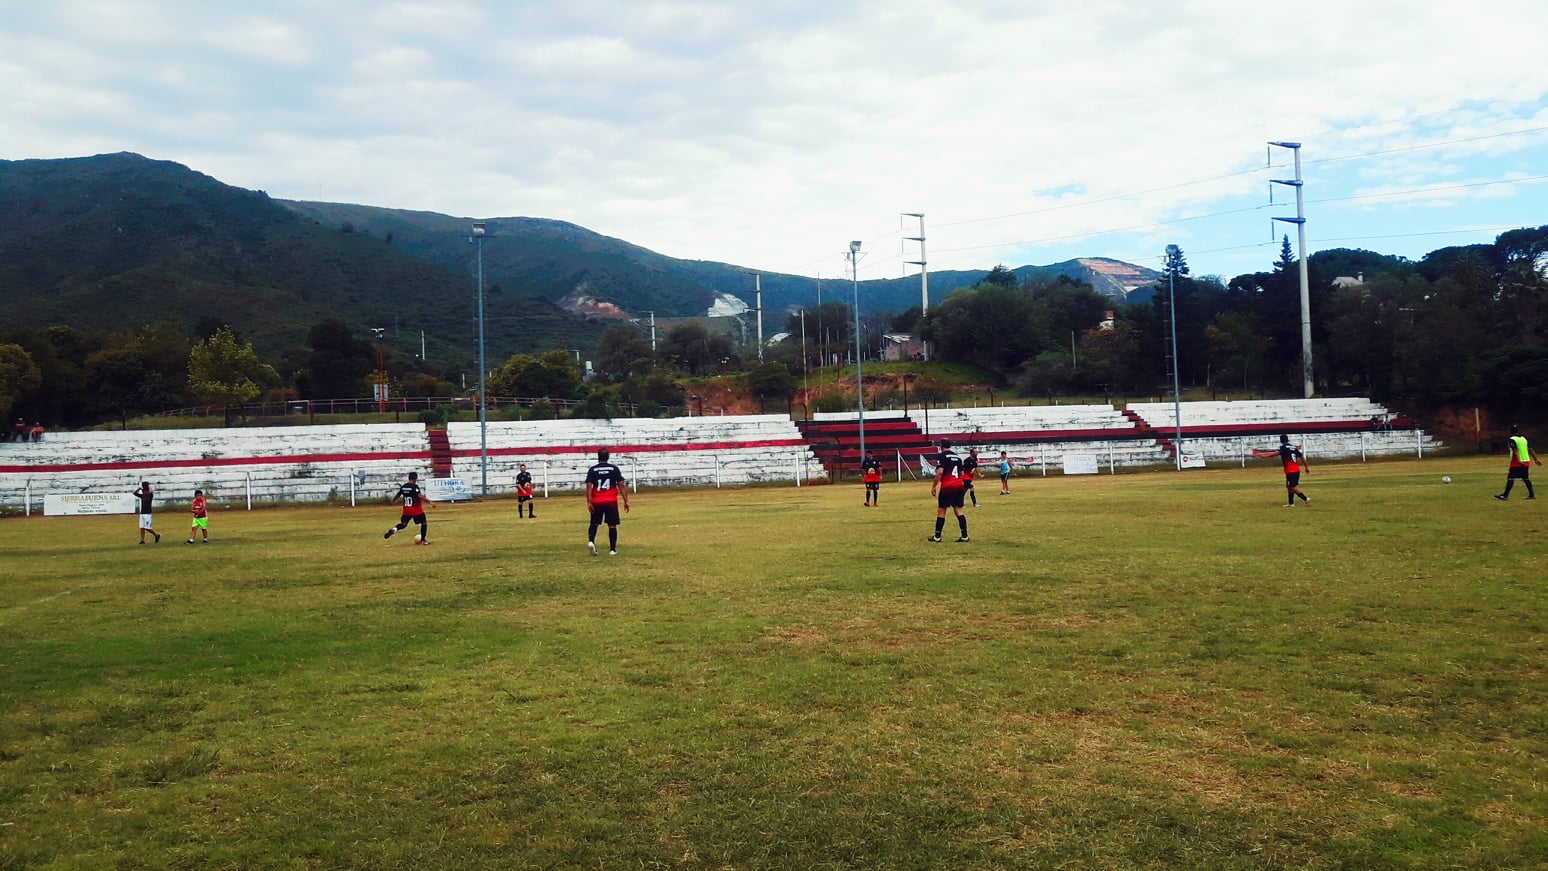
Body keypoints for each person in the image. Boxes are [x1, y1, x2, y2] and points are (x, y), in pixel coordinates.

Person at [585, 448, 630, 555]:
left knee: (594, 523)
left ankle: (591, 542)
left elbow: (589, 486)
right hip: (611, 500)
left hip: (597, 500)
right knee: (612, 525)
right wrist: (626, 501)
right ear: (608, 457)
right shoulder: (614, 469)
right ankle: (612, 549)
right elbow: (621, 484)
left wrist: (589, 501)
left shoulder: (593, 470)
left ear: (598, 457)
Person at [928, 438, 970, 542]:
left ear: (941, 446)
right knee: (958, 509)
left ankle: (937, 536)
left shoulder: (942, 456)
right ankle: (964, 536)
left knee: (942, 510)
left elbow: (940, 472)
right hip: (958, 485)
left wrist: (934, 486)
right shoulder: (957, 457)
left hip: (948, 486)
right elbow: (962, 474)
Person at [1252, 434, 1310, 507]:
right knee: (1289, 486)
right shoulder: (1293, 448)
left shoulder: (1283, 448)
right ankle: (1291, 503)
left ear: (1281, 440)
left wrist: (1264, 456)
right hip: (1296, 470)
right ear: (1287, 439)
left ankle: (1305, 498)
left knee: (1292, 487)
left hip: (1290, 471)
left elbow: (1274, 454)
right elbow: (1302, 457)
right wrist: (1306, 467)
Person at [384, 471, 433, 544]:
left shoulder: (404, 487)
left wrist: (393, 501)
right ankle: (423, 540)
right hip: (416, 510)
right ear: (415, 479)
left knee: (404, 524)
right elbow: (420, 496)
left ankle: (394, 529)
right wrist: (430, 502)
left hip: (406, 510)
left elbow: (398, 495)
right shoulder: (414, 487)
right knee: (424, 523)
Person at [1494, 425, 1541, 501]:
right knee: (1525, 478)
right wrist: (1536, 459)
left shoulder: (1512, 439)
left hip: (1517, 462)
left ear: (1510, 432)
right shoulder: (1523, 439)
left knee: (1511, 477)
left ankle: (1505, 495)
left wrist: (1519, 461)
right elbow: (1530, 449)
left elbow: (1515, 450)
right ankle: (1532, 495)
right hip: (1526, 460)